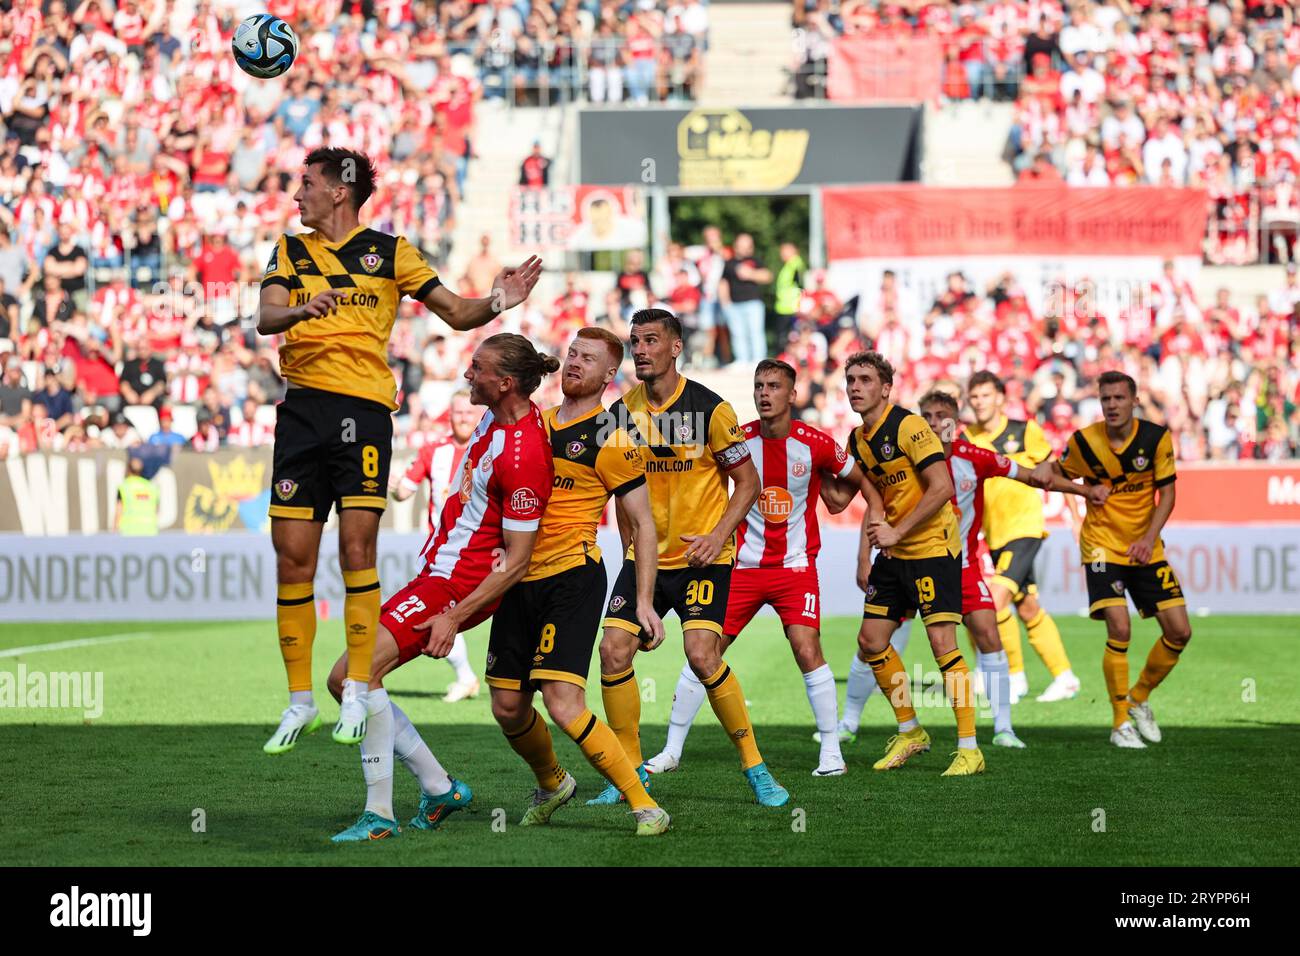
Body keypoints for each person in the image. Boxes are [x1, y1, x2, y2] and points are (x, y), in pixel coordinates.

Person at [256, 147, 542, 755]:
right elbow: (265, 316)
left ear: (340, 191)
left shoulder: (391, 252)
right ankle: (299, 700)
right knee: (291, 558)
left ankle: (356, 687)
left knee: (357, 548)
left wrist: (497, 301)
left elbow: (456, 313)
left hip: (362, 413)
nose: (296, 194)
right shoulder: (289, 250)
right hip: (301, 413)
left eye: (306, 183)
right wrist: (300, 309)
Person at [324, 334, 557, 841]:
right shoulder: (499, 417)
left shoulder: (525, 455)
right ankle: (437, 788)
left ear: (505, 382)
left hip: (455, 585)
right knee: (352, 678)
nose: (466, 375)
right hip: (438, 574)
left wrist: (453, 614)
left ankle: (380, 816)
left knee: (349, 678)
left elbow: (517, 561)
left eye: (477, 368)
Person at [643, 358, 884, 777]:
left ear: (792, 395)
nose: (763, 394)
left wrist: (846, 501)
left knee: (807, 650)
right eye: (758, 386)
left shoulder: (816, 443)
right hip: (741, 567)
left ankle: (831, 752)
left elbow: (859, 478)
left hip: (794, 568)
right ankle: (672, 749)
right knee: (705, 653)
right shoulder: (738, 441)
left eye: (773, 386)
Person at [592, 309, 789, 807]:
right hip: (646, 562)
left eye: (650, 340)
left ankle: (755, 767)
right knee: (614, 650)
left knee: (702, 655)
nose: (639, 350)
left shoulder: (710, 408)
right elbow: (620, 495)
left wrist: (719, 533)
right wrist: (629, 556)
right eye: (634, 341)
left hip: (704, 557)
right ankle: (631, 774)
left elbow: (748, 483)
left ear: (675, 348)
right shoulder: (619, 415)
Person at [486, 328, 670, 836]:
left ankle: (643, 804)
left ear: (610, 375)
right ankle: (553, 783)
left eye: (588, 358)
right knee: (506, 705)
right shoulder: (535, 425)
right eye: (571, 353)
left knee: (563, 703)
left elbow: (644, 525)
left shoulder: (614, 434)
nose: (574, 363)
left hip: (571, 577)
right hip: (519, 578)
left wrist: (645, 601)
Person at [842, 351, 982, 776]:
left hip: (933, 549)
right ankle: (910, 731)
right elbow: (872, 496)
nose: (855, 387)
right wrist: (866, 548)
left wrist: (897, 533)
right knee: (870, 642)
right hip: (893, 552)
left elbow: (941, 488)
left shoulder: (909, 426)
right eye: (850, 380)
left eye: (865, 379)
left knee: (943, 647)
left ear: (885, 388)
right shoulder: (857, 439)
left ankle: (970, 748)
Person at [1035, 370, 1192, 749]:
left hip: (1145, 546)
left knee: (1180, 632)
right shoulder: (1084, 442)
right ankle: (1120, 722)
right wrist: (1085, 490)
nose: (1112, 405)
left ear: (1134, 401)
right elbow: (1049, 476)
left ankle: (1138, 698)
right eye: (1106, 399)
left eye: (1119, 398)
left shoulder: (1155, 438)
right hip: (1102, 545)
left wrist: (1148, 538)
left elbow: (1167, 497)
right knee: (1119, 628)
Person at [965, 371, 1080, 703]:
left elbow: (1055, 471)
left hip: (1025, 530)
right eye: (974, 397)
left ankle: (1012, 676)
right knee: (1028, 608)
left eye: (986, 395)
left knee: (993, 600)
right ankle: (1065, 676)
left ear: (1000, 397)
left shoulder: (1024, 431)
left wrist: (1074, 517)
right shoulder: (967, 438)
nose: (979, 402)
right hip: (993, 535)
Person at [389, 389, 482, 701]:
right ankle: (467, 677)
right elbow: (403, 492)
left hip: (484, 552)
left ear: (479, 414)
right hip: (444, 555)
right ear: (450, 415)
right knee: (442, 611)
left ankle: (514, 678)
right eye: (458, 413)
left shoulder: (490, 448)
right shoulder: (433, 451)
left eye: (469, 413)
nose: (464, 418)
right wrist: (389, 483)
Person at [719, 233, 771, 366]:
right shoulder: (729, 263)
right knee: (738, 334)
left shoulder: (755, 261)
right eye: (741, 244)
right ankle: (742, 360)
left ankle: (758, 360)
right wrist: (725, 303)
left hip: (753, 303)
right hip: (734, 305)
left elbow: (768, 276)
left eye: (747, 245)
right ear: (736, 246)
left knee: (755, 332)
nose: (744, 248)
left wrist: (751, 274)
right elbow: (723, 282)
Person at [115, 454, 159, 536]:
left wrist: (114, 529)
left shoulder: (124, 487)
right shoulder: (152, 487)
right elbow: (156, 510)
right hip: (150, 531)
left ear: (128, 470)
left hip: (128, 531)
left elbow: (119, 511)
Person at [773, 242, 807, 342]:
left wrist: (800, 305)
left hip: (792, 309)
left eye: (785, 250)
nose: (782, 253)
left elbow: (802, 286)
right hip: (783, 308)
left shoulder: (795, 265)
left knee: (790, 339)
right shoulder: (788, 266)